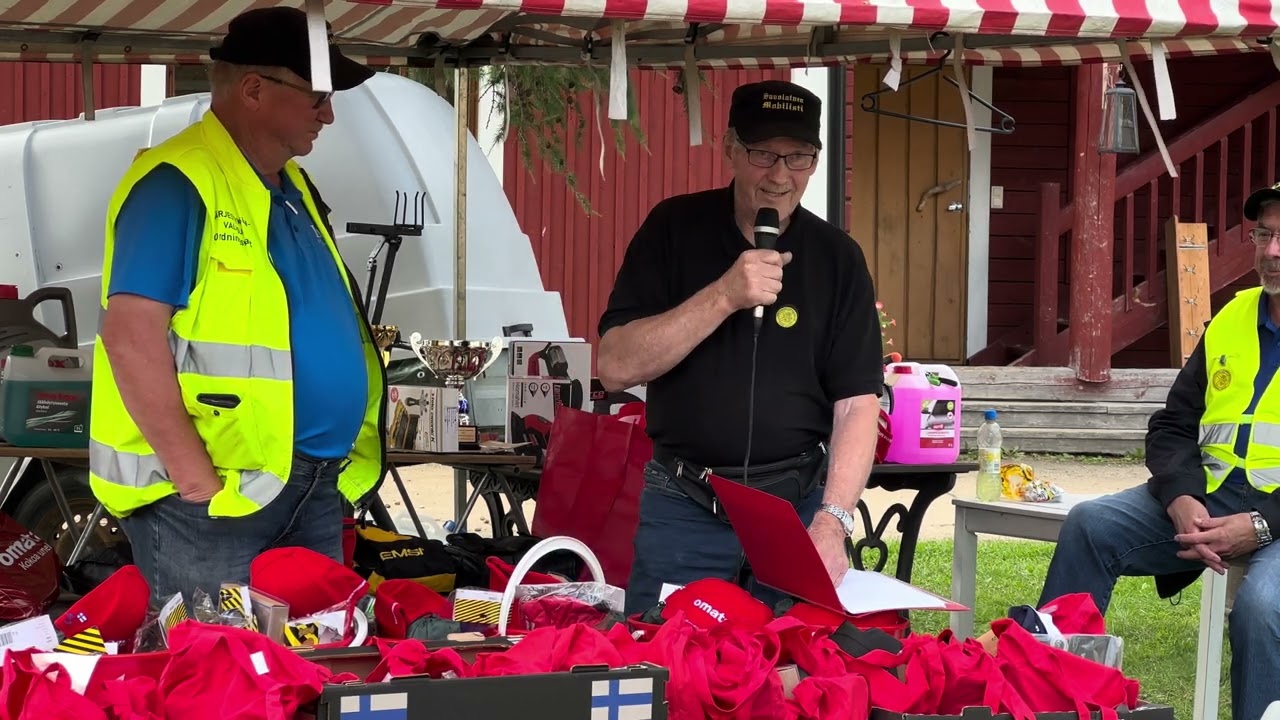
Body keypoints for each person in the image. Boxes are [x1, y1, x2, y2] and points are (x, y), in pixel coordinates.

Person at [89, 6, 387, 604]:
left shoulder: (288, 183)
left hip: (305, 485)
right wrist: (195, 479)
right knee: (215, 682)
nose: (329, 115)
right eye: (317, 97)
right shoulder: (177, 183)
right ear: (254, 89)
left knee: (310, 676)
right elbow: (130, 337)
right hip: (217, 497)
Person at [596, 80, 885, 615]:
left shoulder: (838, 259)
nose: (779, 175)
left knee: (790, 676)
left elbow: (857, 403)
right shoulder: (673, 228)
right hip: (684, 502)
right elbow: (614, 366)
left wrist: (833, 522)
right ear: (730, 148)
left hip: (793, 510)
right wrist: (725, 295)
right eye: (763, 154)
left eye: (798, 157)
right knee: (663, 670)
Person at [1038, 181, 1280, 720]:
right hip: (1209, 500)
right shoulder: (1232, 317)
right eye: (1264, 234)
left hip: (1276, 519)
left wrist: (1260, 525)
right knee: (1089, 524)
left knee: (1263, 606)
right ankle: (1049, 700)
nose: (1271, 252)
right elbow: (1173, 425)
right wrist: (1181, 497)